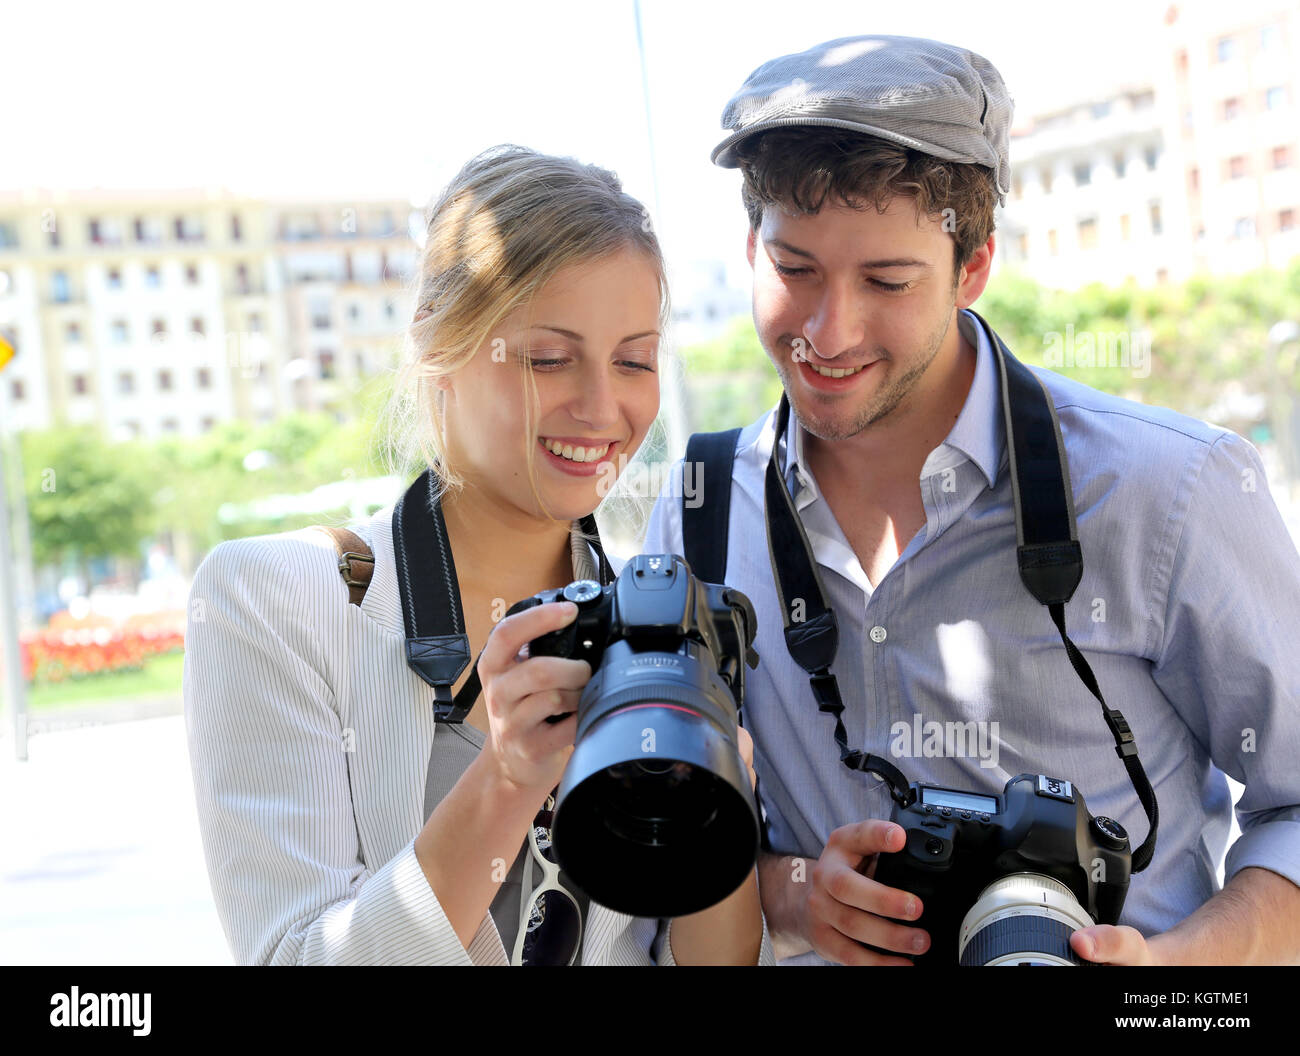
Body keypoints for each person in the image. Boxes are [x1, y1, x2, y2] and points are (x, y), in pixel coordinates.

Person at [643, 35, 1300, 966]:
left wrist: (1177, 973)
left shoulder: (1176, 490)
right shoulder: (702, 509)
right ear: (751, 247)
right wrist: (792, 896)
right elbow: (665, 838)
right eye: (793, 270)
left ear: (974, 266)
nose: (829, 333)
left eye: (886, 281)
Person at [184, 145, 772, 965]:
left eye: (634, 360)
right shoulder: (274, 600)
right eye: (547, 358)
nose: (603, 408)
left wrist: (718, 806)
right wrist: (504, 778)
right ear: (437, 342)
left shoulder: (660, 625)